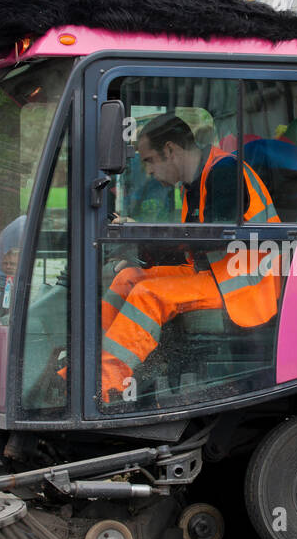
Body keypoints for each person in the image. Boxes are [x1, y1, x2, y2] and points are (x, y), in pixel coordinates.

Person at [80, 114, 281, 402]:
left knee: (147, 294)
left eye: (149, 160)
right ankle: (86, 367)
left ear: (171, 150)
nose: (148, 171)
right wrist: (141, 239)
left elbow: (210, 240)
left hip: (244, 283)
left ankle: (105, 388)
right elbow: (194, 247)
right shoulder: (196, 182)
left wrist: (142, 237)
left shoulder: (226, 172)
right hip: (216, 274)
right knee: (128, 279)